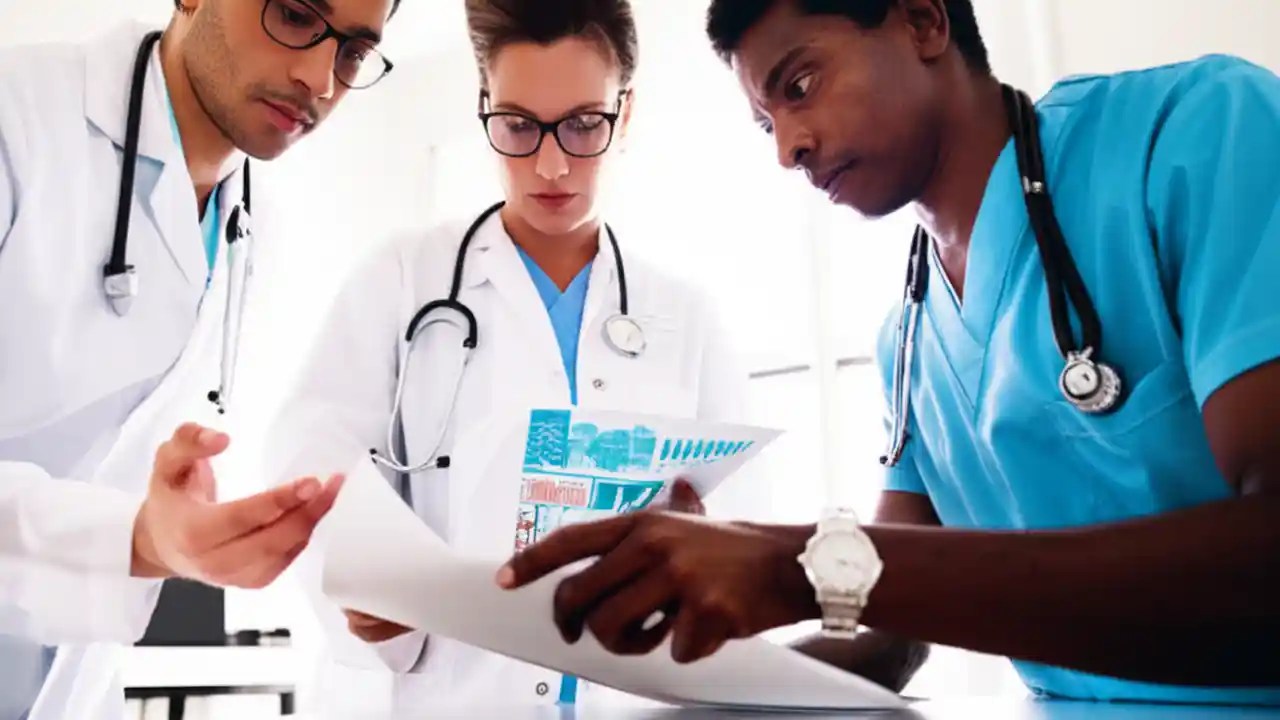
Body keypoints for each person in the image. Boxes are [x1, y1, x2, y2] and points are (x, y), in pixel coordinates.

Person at [494, 0, 1280, 706]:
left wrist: (789, 567)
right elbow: (886, 633)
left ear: (923, 21)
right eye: (767, 124)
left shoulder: (1194, 134)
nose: (789, 149)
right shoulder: (909, 338)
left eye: (799, 86)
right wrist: (685, 668)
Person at [263, 0, 749, 711]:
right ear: (484, 109)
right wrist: (372, 587)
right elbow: (314, 461)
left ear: (627, 113)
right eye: (519, 125)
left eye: (585, 125)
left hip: (634, 695)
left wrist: (705, 558)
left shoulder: (685, 315)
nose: (551, 164)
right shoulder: (403, 279)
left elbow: (744, 530)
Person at [0, 0, 400, 717]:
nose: (320, 78)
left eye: (353, 53)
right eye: (296, 15)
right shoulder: (17, 119)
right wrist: (136, 540)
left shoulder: (252, 227)